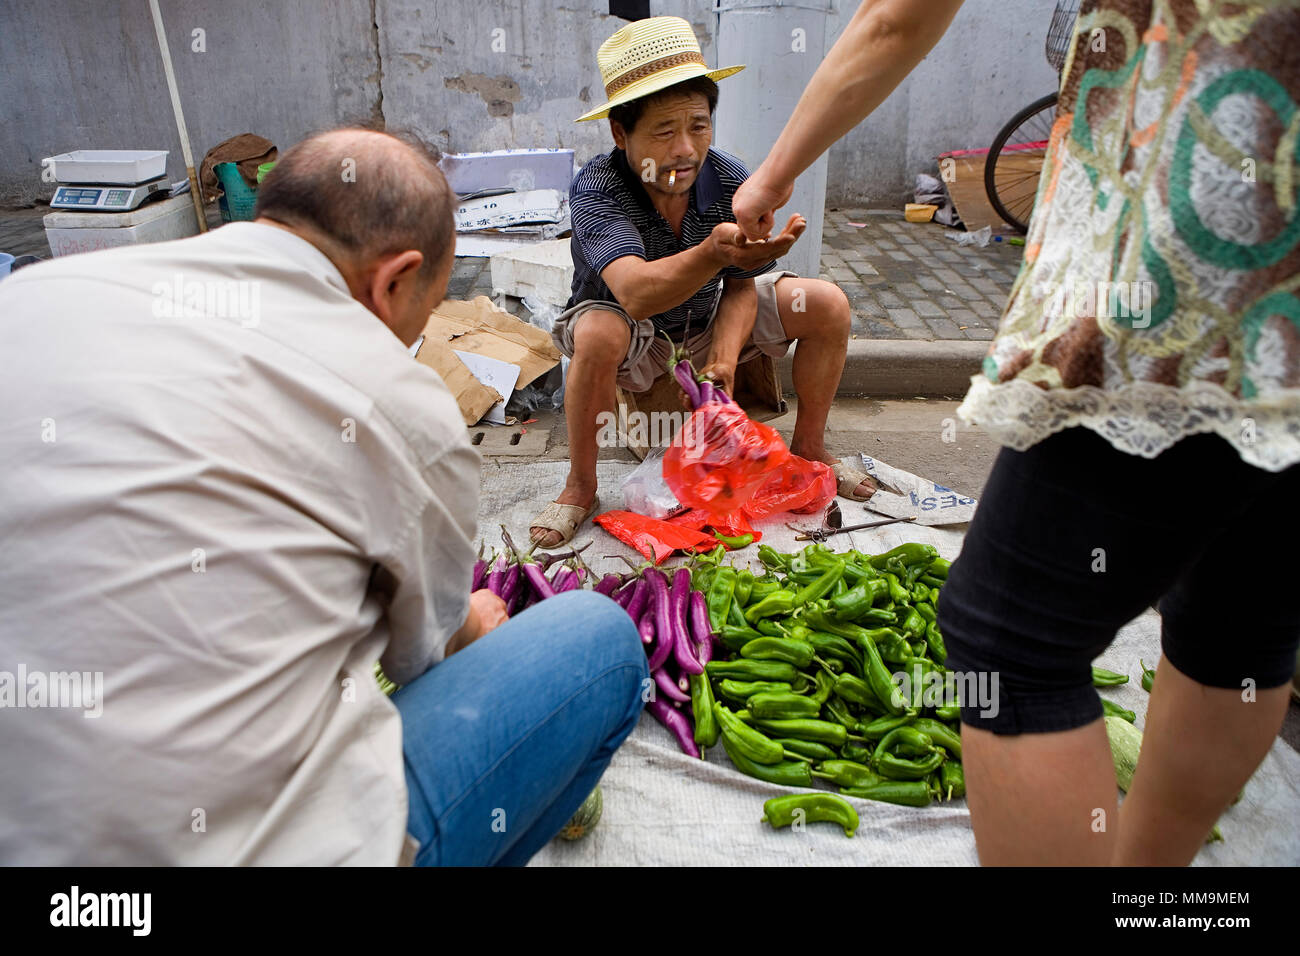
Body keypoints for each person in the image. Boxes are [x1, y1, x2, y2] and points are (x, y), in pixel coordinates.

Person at [732, 0, 1300, 865]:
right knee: (1238, 614)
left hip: (1202, 249)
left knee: (1006, 643)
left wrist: (771, 176)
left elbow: (899, 16)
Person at [0, 128, 646, 866]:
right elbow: (422, 654)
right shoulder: (397, 402)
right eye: (424, 311)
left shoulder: (34, 295)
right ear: (395, 280)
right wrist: (472, 619)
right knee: (598, 643)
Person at [530, 14, 877, 549]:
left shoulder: (729, 177)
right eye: (664, 131)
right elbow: (636, 292)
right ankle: (580, 486)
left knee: (826, 303)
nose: (685, 149)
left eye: (698, 125)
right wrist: (714, 252)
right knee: (598, 333)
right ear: (621, 133)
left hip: (704, 319)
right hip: (632, 336)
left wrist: (723, 354)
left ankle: (810, 446)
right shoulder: (597, 187)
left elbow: (739, 285)